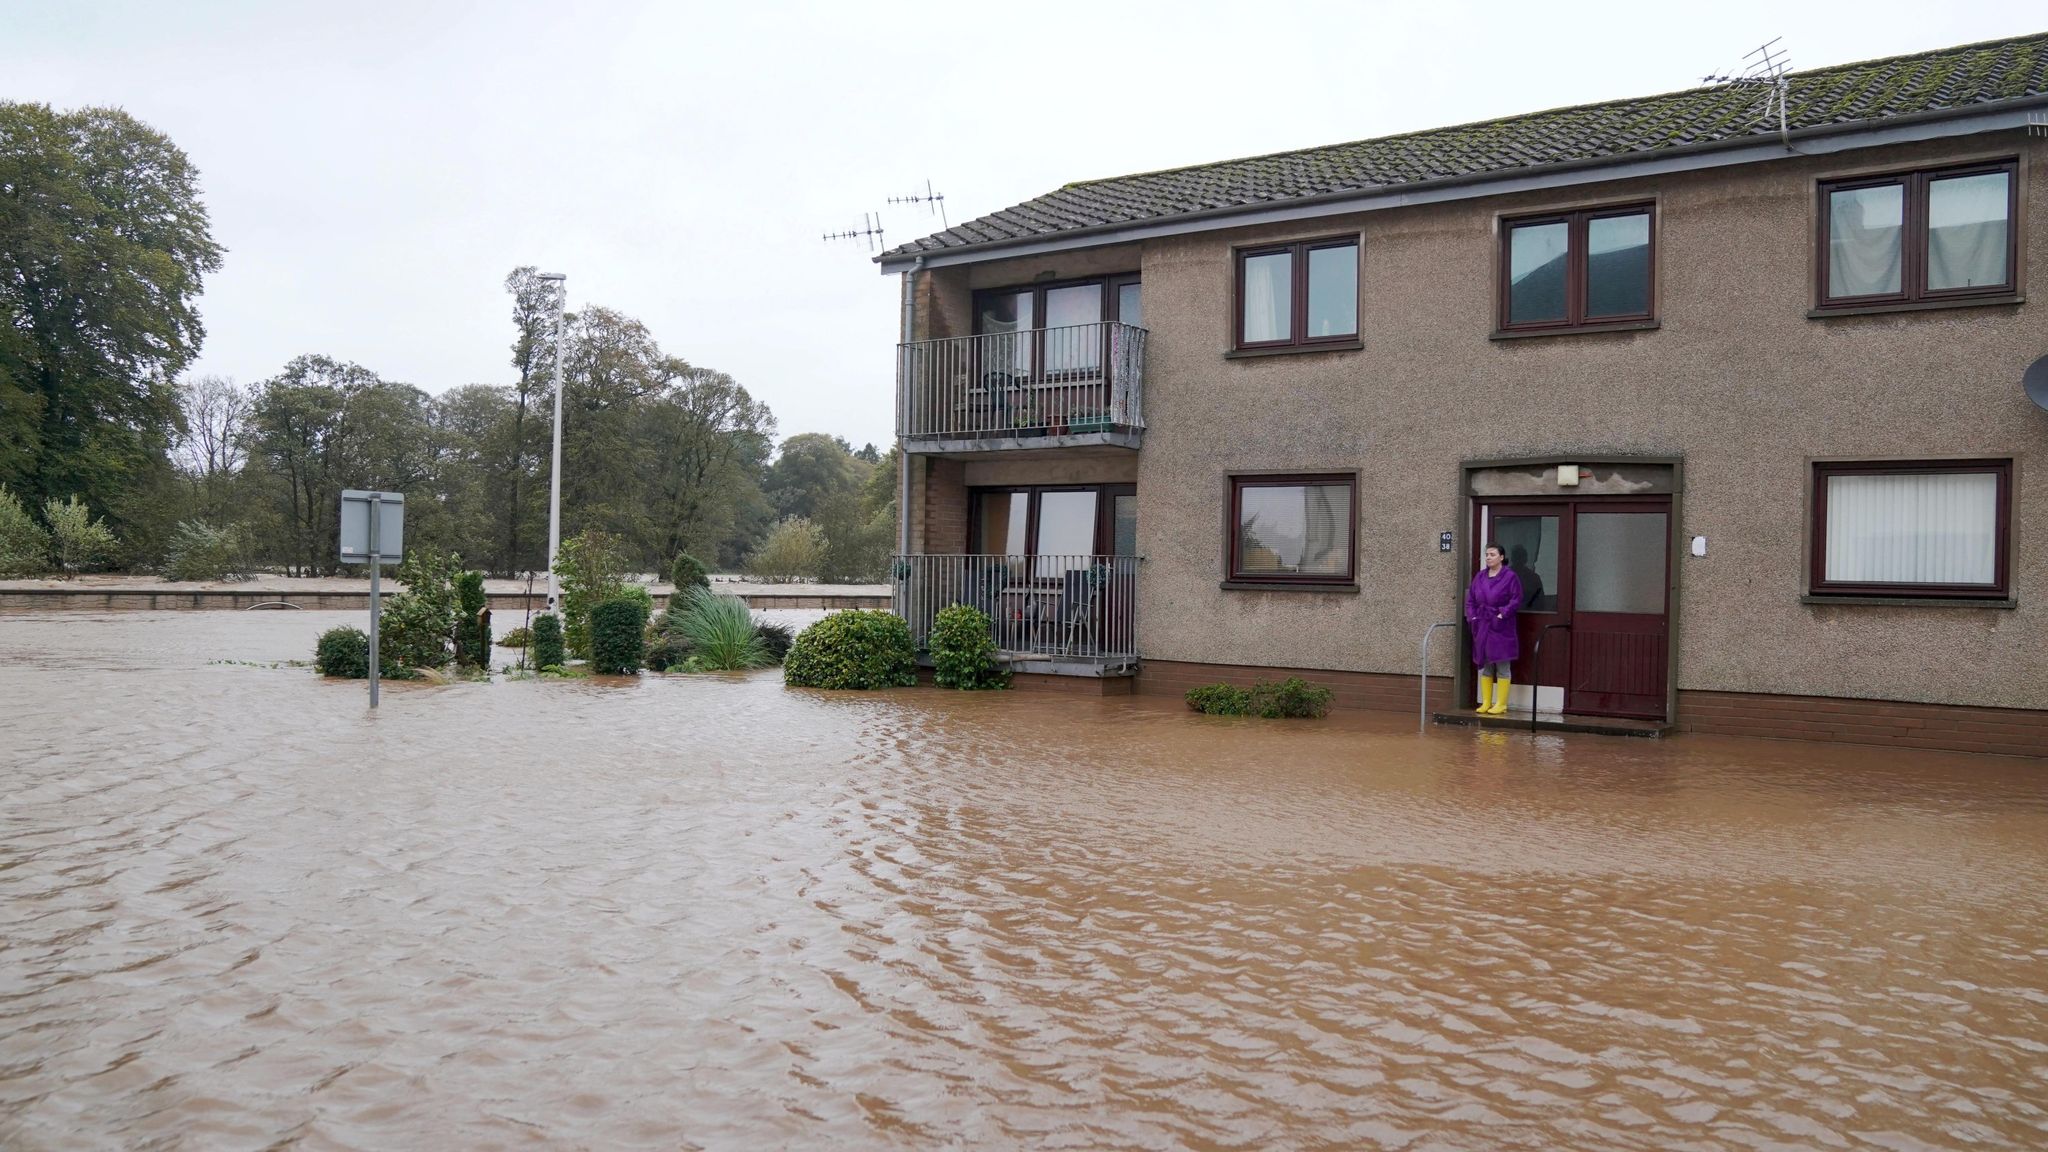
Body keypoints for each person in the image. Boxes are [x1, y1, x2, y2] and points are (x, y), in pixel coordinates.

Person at [1465, 543, 1524, 715]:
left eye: (1492, 554)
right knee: (1486, 664)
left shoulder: (1510, 577)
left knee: (1502, 664)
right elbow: (1471, 600)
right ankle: (1486, 702)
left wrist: (1502, 614)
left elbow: (1516, 599)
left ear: (1501, 557)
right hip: (1482, 624)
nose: (1488, 557)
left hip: (1501, 626)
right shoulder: (1480, 577)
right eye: (1487, 554)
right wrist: (1473, 617)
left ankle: (1501, 704)